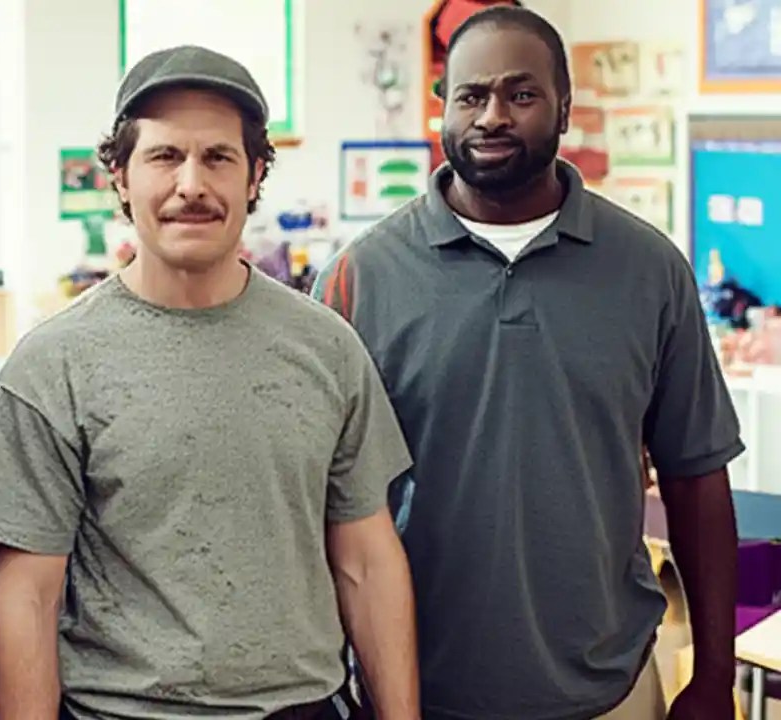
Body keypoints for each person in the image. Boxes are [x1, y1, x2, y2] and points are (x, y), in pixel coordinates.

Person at [0, 45, 421, 720]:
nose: (191, 184)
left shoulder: (328, 348)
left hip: (299, 708)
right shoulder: (54, 365)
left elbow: (367, 560)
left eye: (218, 157)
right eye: (164, 157)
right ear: (119, 176)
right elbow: (25, 593)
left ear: (255, 173)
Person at [313, 7, 743, 720]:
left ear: (565, 108)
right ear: (441, 107)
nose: (492, 117)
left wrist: (715, 673)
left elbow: (697, 477)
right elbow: (318, 502)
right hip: (413, 693)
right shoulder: (359, 278)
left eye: (521, 94)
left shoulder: (648, 270)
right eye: (471, 96)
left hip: (611, 687)